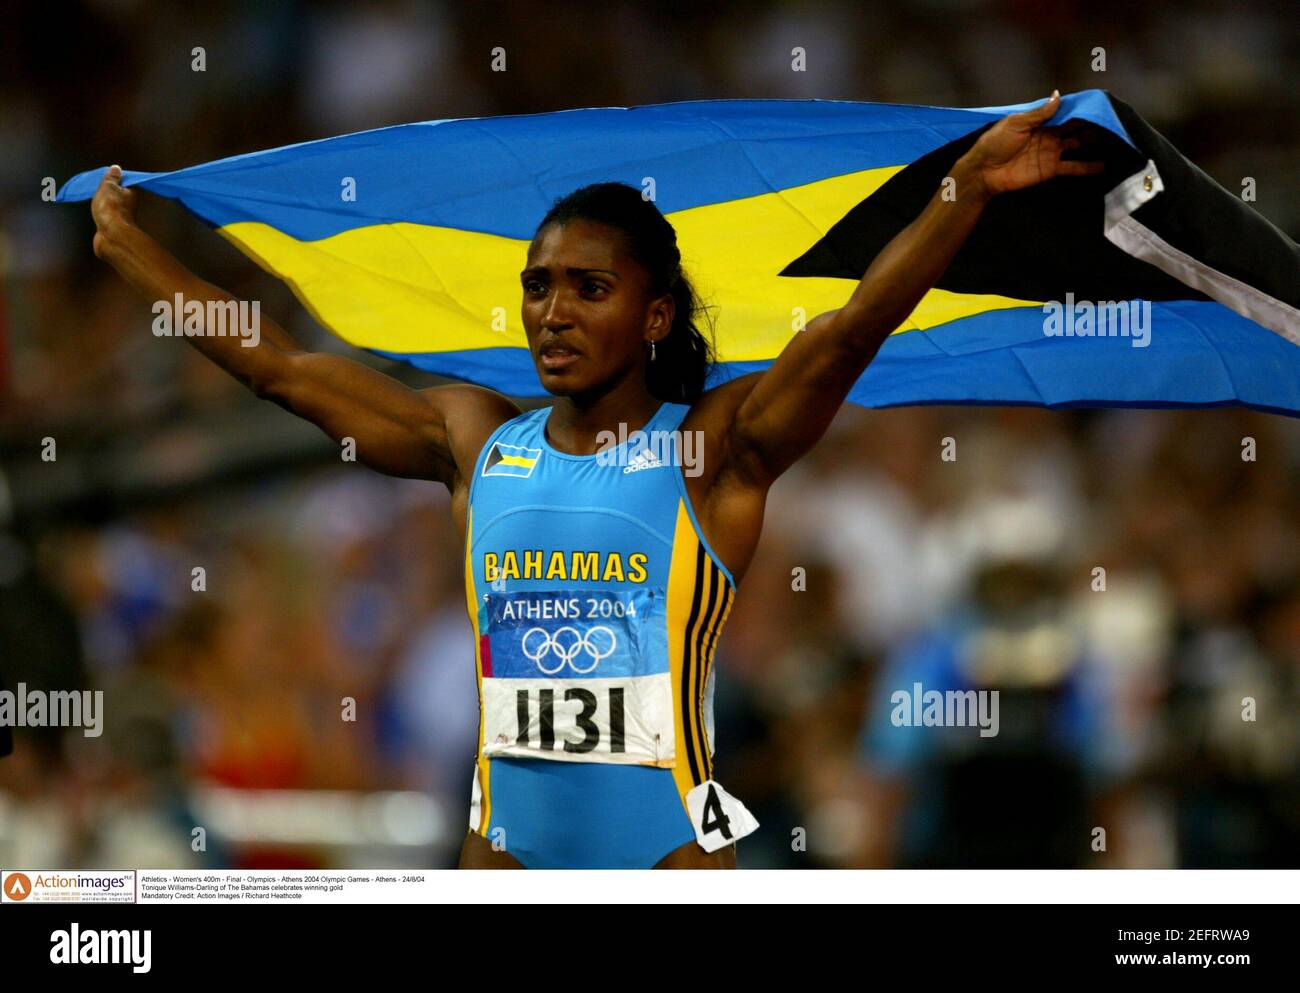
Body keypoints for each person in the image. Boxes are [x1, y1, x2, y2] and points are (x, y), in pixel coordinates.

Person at [88, 92, 1100, 868]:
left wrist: (962, 191)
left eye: (588, 288)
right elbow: (278, 367)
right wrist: (130, 252)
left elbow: (851, 330)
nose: (552, 312)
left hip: (668, 858)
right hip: (501, 860)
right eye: (537, 287)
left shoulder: (715, 449)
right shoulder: (473, 443)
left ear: (655, 317)